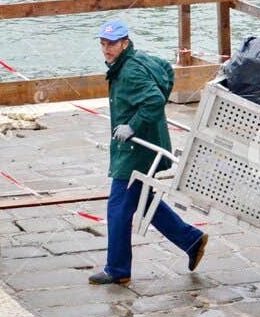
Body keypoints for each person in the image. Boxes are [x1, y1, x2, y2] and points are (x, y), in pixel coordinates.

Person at [89, 21, 207, 286]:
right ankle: (192, 240)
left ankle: (117, 269)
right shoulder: (140, 60)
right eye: (103, 44)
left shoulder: (129, 71)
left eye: (112, 44)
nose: (107, 50)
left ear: (125, 44)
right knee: (143, 199)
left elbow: (153, 99)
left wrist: (134, 125)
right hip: (147, 143)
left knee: (118, 207)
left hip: (137, 149)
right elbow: (165, 70)